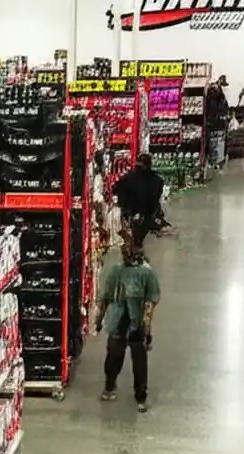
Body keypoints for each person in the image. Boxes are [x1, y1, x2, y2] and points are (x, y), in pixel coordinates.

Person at [97, 244, 160, 411]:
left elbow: (104, 298)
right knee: (139, 358)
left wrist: (99, 320)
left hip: (117, 320)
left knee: (114, 354)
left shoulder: (116, 271)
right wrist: (146, 328)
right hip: (136, 321)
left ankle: (109, 387)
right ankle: (140, 396)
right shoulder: (148, 273)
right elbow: (149, 303)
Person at [111, 153, 165, 250]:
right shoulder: (158, 180)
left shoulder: (127, 178)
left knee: (133, 241)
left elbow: (115, 190)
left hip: (131, 214)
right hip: (148, 216)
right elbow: (156, 198)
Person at [206, 75, 231, 169]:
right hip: (215, 119)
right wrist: (220, 115)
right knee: (216, 140)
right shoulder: (214, 90)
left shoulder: (216, 90)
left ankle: (216, 160)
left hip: (215, 119)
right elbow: (214, 105)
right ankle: (215, 160)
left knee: (216, 140)